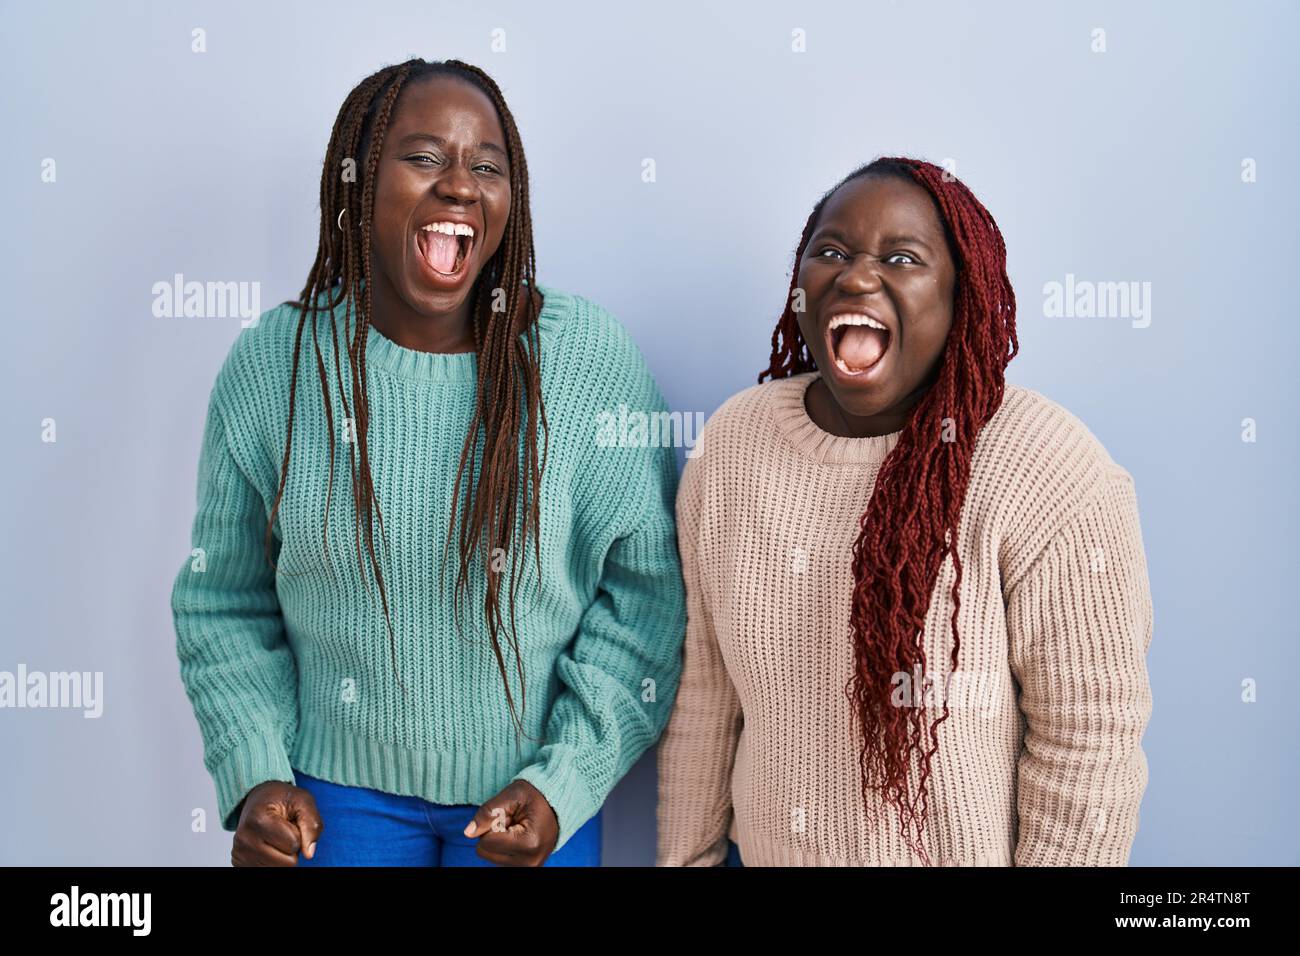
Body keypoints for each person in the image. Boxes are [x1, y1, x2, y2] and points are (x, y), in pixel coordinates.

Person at [171, 58, 685, 867]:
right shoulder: (277, 365)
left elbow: (647, 605)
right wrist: (257, 776)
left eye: (487, 166)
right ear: (358, 183)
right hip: (334, 803)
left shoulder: (588, 363)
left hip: (533, 801)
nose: (459, 186)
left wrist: (567, 779)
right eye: (422, 157)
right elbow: (223, 601)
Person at [656, 156, 1154, 867]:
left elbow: (1089, 741)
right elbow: (705, 697)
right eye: (831, 252)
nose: (857, 276)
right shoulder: (732, 446)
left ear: (961, 298)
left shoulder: (1046, 464)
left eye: (902, 258)